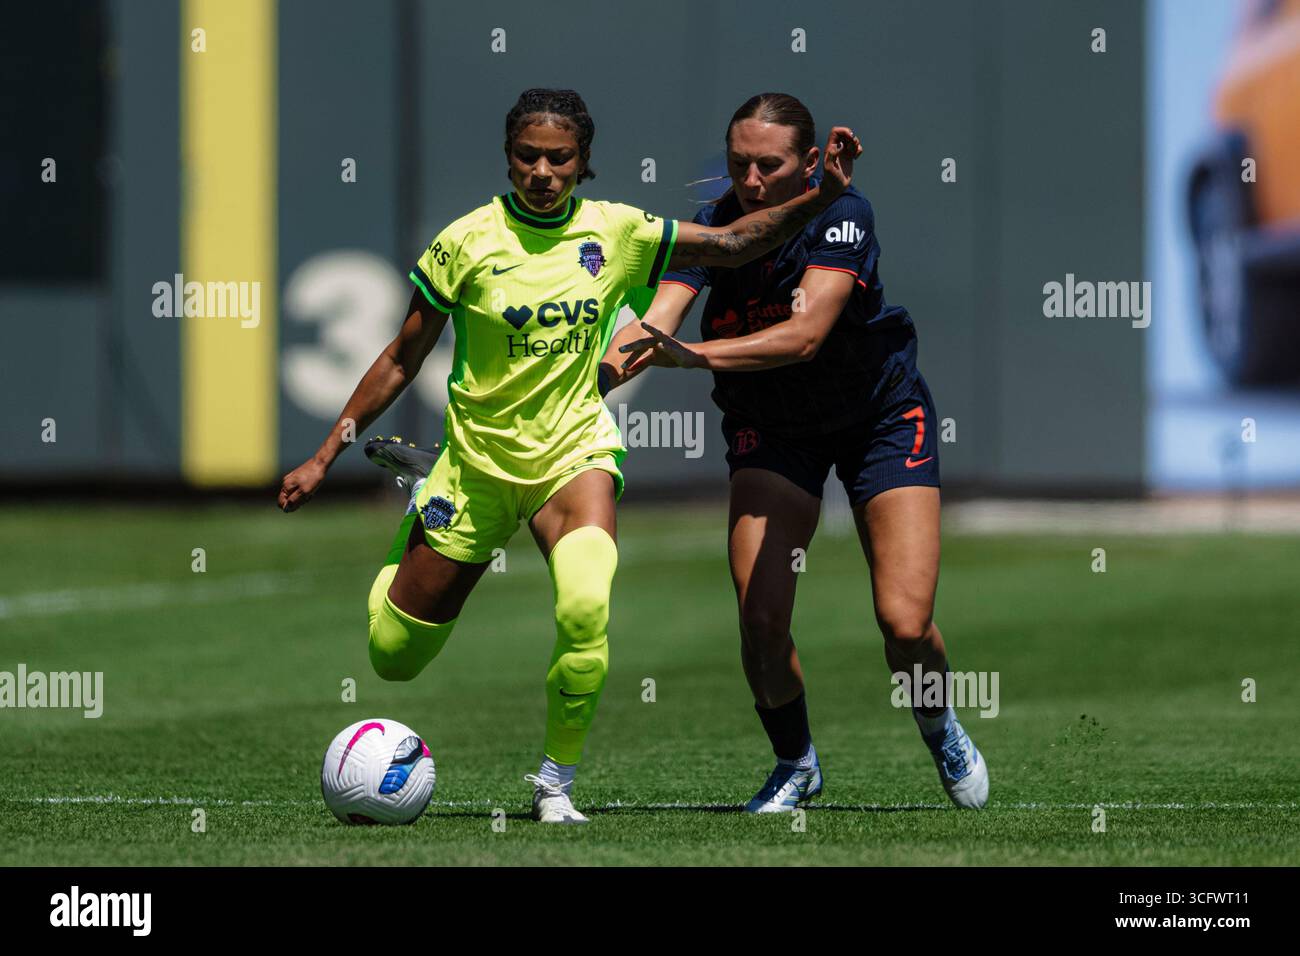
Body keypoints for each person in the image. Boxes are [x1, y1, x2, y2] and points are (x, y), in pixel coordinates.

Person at [277, 88, 861, 823]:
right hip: (478, 464)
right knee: (393, 656)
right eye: (529, 156)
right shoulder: (465, 243)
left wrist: (821, 199)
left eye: (560, 157)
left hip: (572, 454)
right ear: (509, 157)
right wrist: (326, 453)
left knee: (585, 603)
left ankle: (555, 786)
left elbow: (737, 244)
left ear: (583, 163)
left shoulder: (618, 231)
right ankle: (423, 493)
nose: (543, 171)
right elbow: (400, 357)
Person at [605, 92, 987, 813]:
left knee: (905, 624)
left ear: (810, 163)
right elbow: (655, 324)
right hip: (772, 429)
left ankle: (937, 722)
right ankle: (796, 764)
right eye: (738, 164)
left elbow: (804, 336)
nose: (750, 182)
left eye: (769, 167)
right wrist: (586, 379)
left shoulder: (845, 216)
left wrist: (694, 357)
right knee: (761, 616)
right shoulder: (715, 228)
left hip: (878, 416)